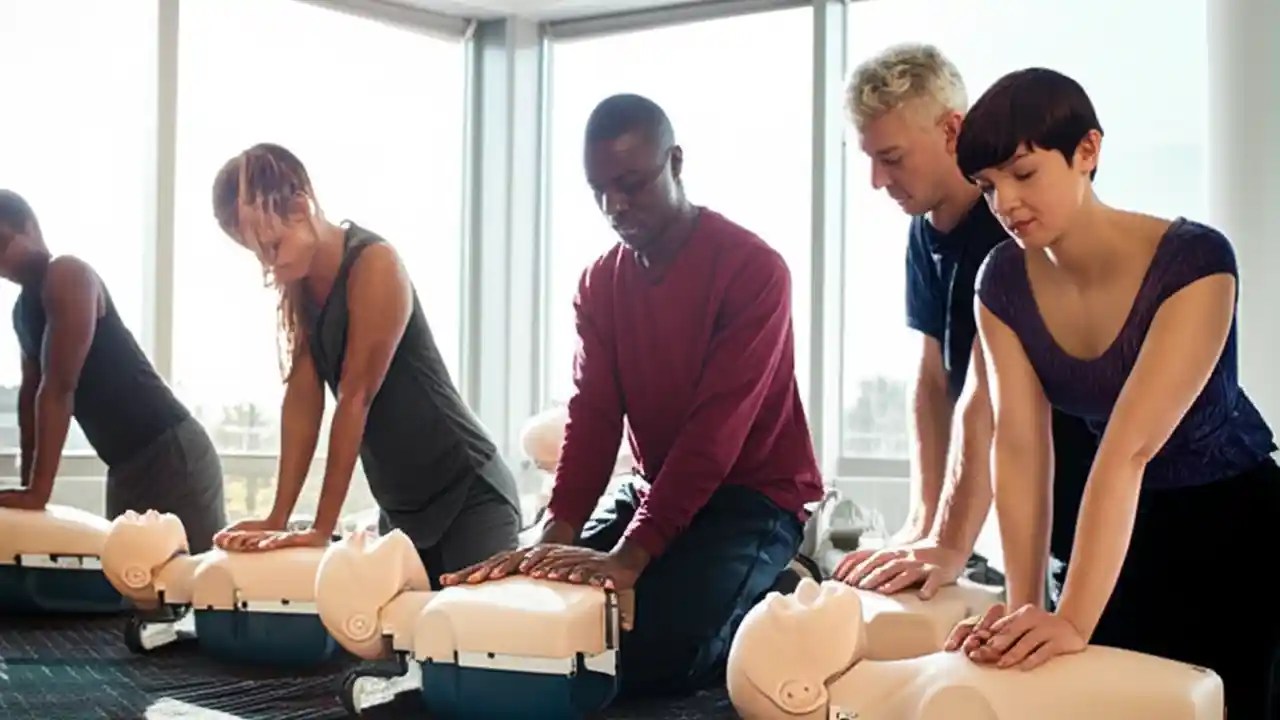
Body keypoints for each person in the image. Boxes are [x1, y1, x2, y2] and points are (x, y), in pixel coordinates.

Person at [441, 93, 824, 698]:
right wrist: (555, 535)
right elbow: (592, 418)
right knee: (534, 600)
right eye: (598, 189)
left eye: (631, 184)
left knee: (654, 655)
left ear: (676, 162)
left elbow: (714, 434)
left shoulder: (754, 270)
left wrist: (632, 555)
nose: (613, 206)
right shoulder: (600, 284)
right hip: (654, 489)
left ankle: (775, 587)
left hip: (752, 498)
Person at [943, 67, 1280, 718]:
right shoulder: (1001, 280)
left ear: (1087, 151)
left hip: (1235, 523)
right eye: (987, 186)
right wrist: (1025, 605)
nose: (1005, 202)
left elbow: (1128, 449)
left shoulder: (1197, 263)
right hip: (1118, 521)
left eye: (1023, 174)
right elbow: (1021, 447)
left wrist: (1071, 618)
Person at [831, 44, 1098, 604]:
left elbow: (987, 398)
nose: (877, 180)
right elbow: (933, 382)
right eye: (871, 159)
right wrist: (922, 523)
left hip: (1101, 496)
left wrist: (950, 543)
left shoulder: (1015, 229)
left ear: (952, 131)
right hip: (1045, 512)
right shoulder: (923, 230)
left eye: (892, 157)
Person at [207, 143, 521, 588]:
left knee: (469, 625)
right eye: (258, 253)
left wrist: (321, 529)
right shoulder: (299, 284)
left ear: (302, 206)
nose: (270, 265)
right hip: (403, 507)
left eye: (273, 246)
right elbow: (302, 402)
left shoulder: (375, 263)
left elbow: (355, 398)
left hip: (468, 491)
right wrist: (278, 517)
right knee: (396, 630)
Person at [0, 190, 226, 552]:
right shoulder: (22, 312)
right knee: (129, 579)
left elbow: (58, 388)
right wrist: (28, 488)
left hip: (171, 452)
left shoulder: (67, 274)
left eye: (1, 244)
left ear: (29, 227)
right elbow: (31, 400)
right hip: (123, 466)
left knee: (195, 578)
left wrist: (38, 492)